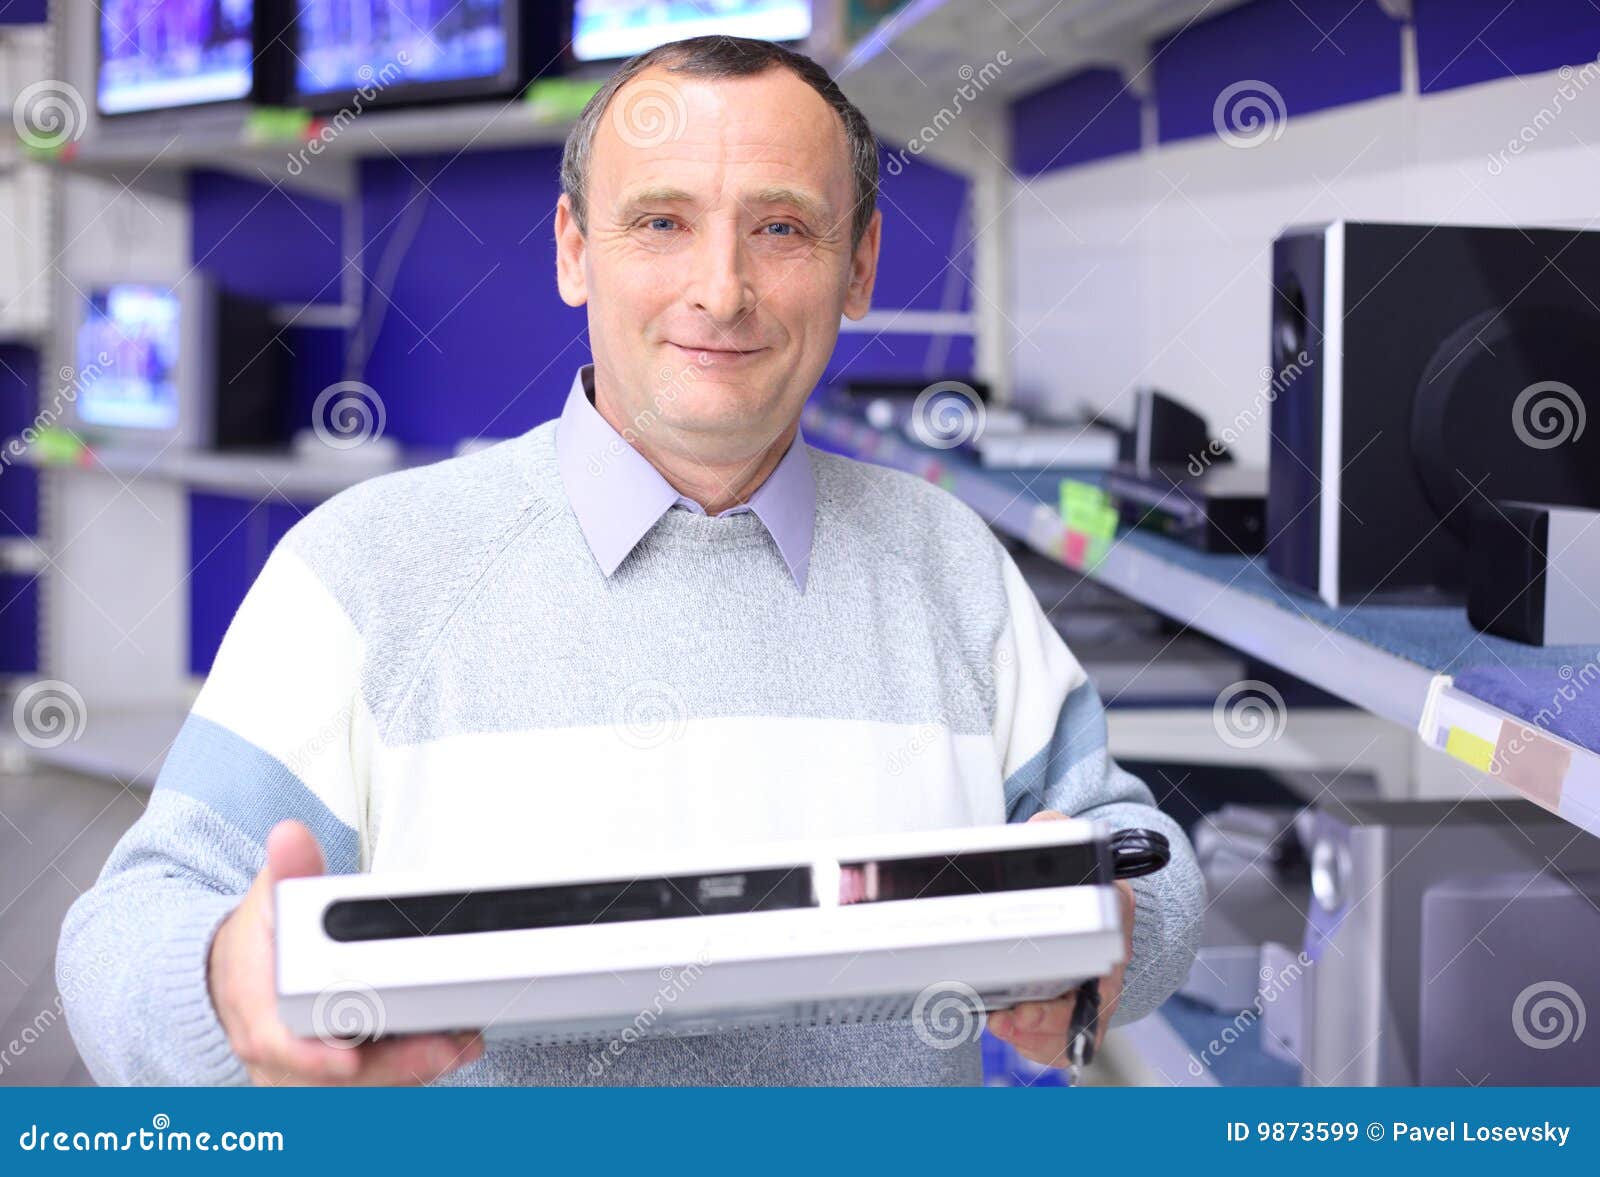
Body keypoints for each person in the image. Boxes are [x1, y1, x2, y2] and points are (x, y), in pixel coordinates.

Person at [58, 34, 1202, 1086]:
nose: (721, 288)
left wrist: (1112, 935)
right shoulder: (360, 570)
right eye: (661, 222)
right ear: (574, 252)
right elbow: (120, 940)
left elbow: (1140, 859)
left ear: (858, 269)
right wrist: (222, 979)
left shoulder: (949, 562)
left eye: (782, 227)